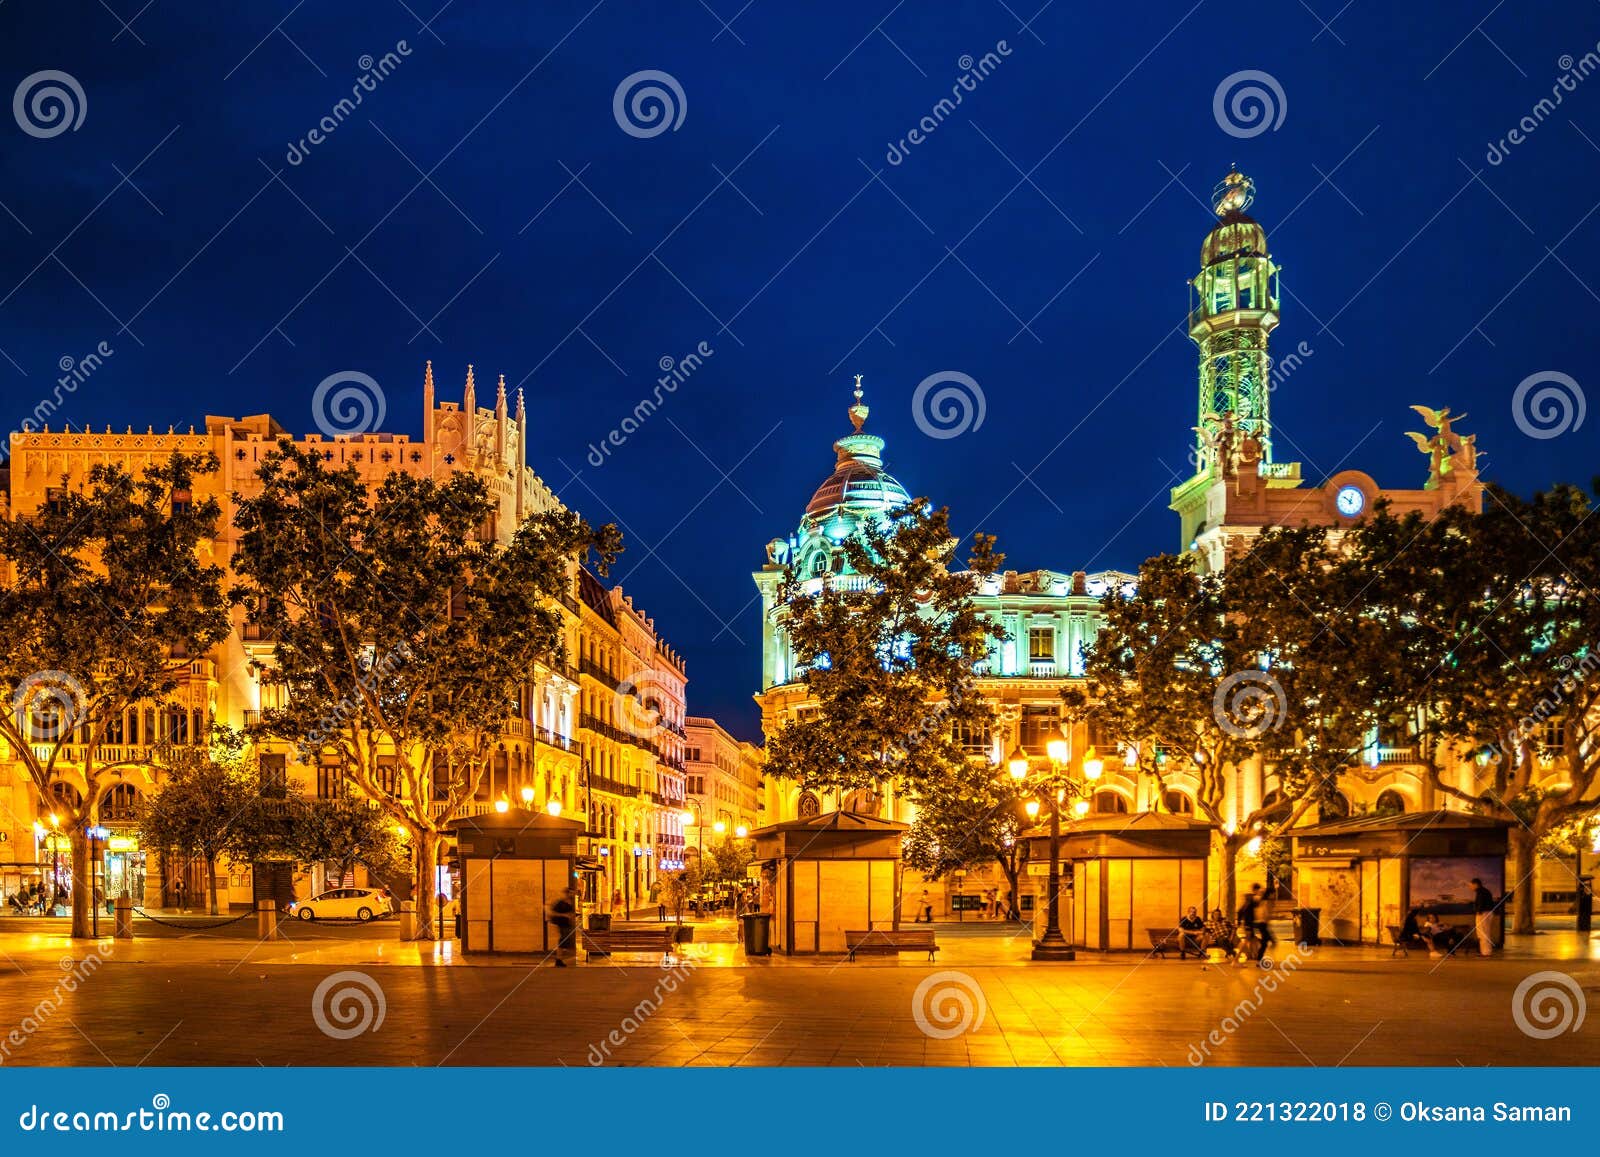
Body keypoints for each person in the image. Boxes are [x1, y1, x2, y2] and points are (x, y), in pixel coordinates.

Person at [548, 887, 577, 967]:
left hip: (567, 925)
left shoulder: (570, 902)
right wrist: (564, 915)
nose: (573, 895)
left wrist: (571, 917)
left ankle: (559, 958)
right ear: (567, 893)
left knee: (564, 941)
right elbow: (553, 913)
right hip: (562, 924)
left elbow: (570, 913)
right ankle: (558, 959)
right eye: (571, 893)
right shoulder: (560, 903)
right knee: (562, 942)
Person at [1470, 877, 1496, 956]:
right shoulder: (1485, 891)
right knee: (1485, 932)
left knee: (1483, 933)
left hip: (1483, 914)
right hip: (1487, 913)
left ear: (1476, 884)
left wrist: (1478, 911)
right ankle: (1486, 951)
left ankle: (1485, 952)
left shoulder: (1480, 892)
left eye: (1471, 885)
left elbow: (1481, 903)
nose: (1470, 887)